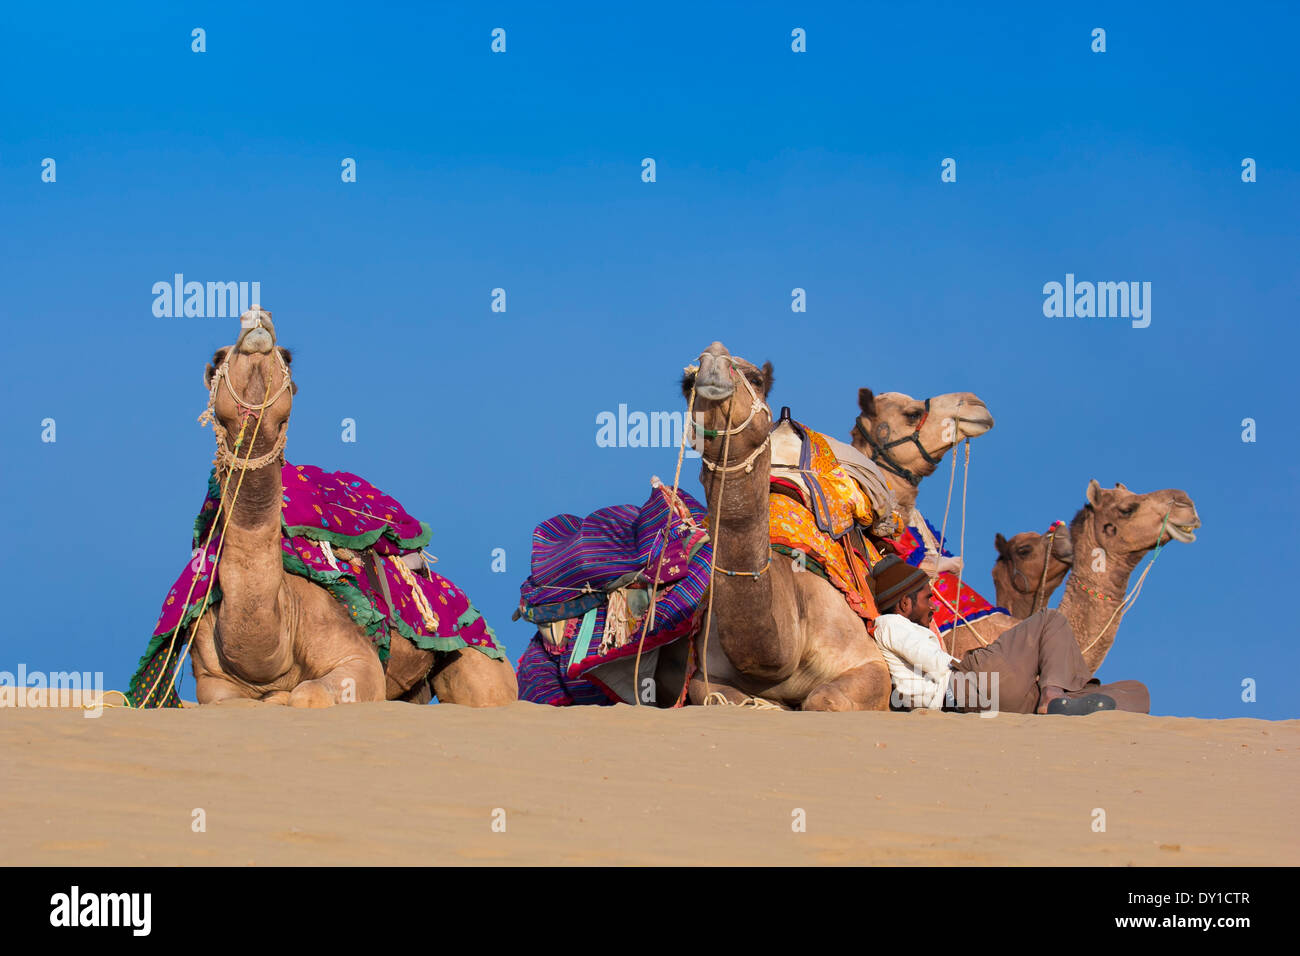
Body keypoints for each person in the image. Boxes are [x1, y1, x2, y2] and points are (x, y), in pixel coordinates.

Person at [868, 556, 1149, 715]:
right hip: (963, 685)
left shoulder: (906, 627)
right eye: (928, 598)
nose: (933, 605)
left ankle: (1062, 700)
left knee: (1136, 690)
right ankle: (1054, 693)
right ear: (904, 604)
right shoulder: (889, 624)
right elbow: (935, 663)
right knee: (1049, 620)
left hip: (990, 700)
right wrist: (978, 660)